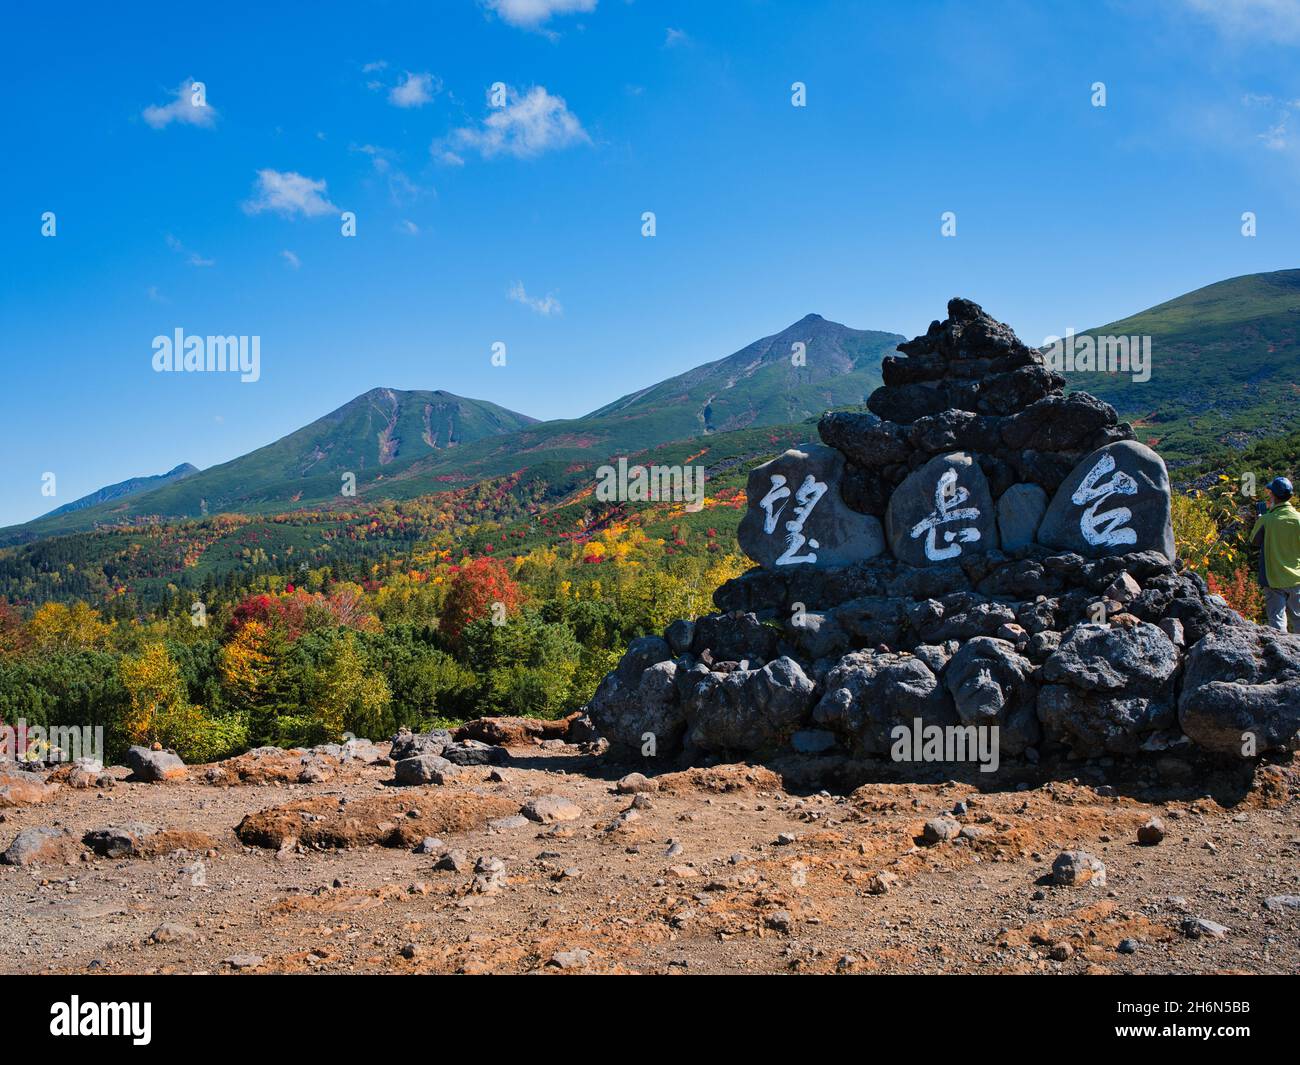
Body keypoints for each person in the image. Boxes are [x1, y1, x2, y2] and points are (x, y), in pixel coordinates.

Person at [1250, 475, 1300, 632]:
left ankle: (1281, 655)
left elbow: (1254, 542)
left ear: (1273, 495)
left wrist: (1260, 519)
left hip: (1273, 579)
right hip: (1297, 578)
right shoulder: (1298, 519)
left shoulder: (1266, 520)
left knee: (1277, 623)